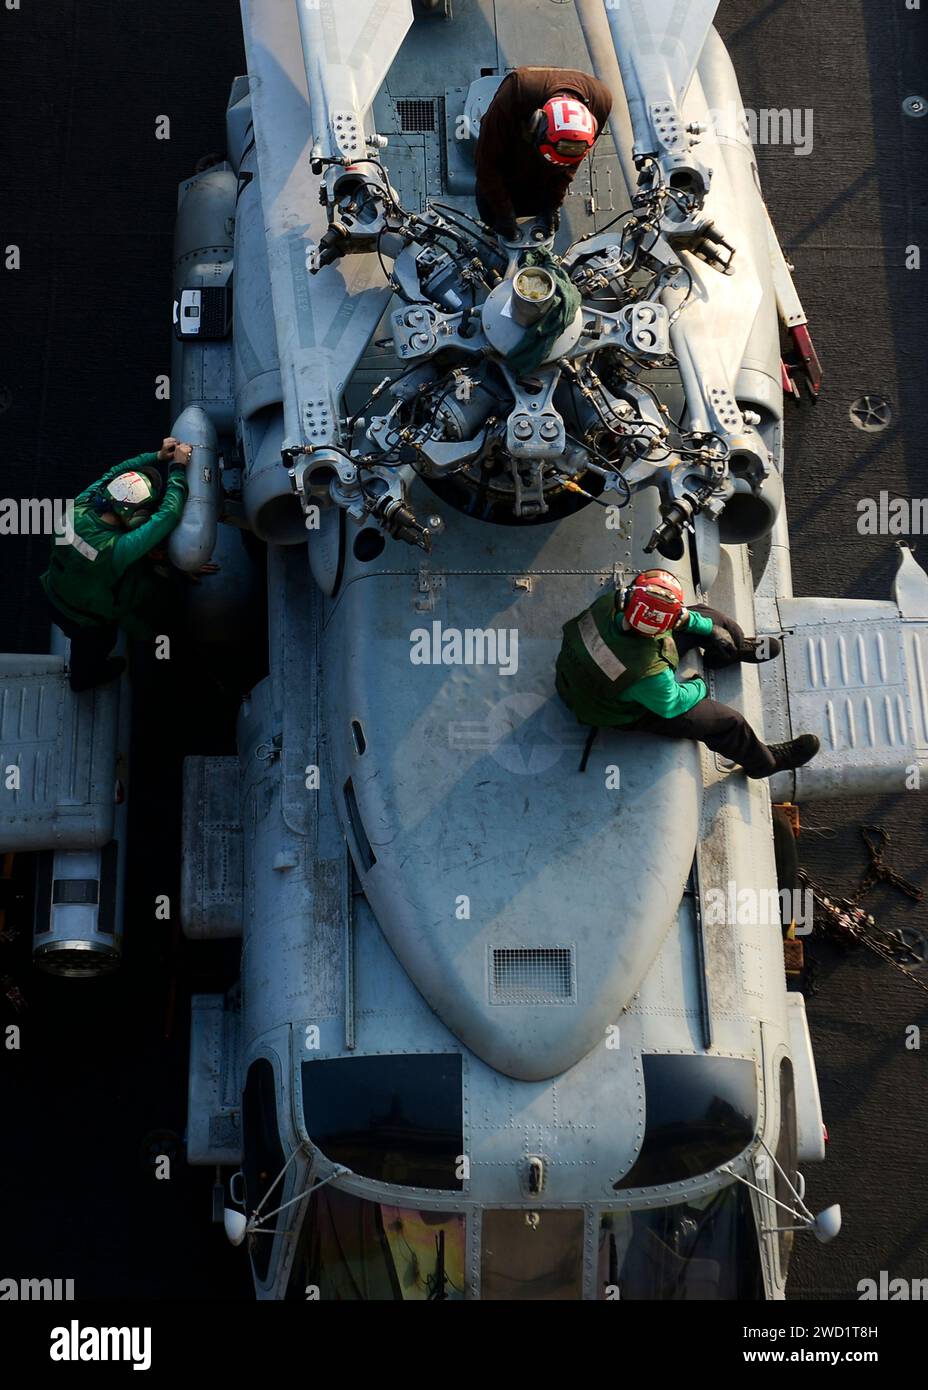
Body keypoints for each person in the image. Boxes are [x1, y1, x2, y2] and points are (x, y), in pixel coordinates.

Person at [555, 569, 820, 779]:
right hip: (614, 708)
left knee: (709, 617)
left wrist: (709, 629)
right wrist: (698, 686)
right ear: (662, 628)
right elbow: (672, 703)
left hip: (587, 673)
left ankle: (727, 649)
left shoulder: (609, 605)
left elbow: (680, 619)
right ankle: (764, 764)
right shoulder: (649, 673)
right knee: (730, 722)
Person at [41, 438, 193, 691]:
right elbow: (169, 514)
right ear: (134, 517)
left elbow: (115, 472)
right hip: (87, 621)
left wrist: (157, 455)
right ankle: (87, 678)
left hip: (53, 594)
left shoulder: (76, 509)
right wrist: (178, 469)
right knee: (92, 653)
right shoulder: (114, 551)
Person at [474, 66, 613, 240]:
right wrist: (503, 214)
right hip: (512, 144)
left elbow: (570, 167)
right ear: (535, 125)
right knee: (490, 208)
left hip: (544, 165)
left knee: (540, 201)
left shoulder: (600, 101)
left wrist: (553, 204)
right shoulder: (515, 92)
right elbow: (486, 163)